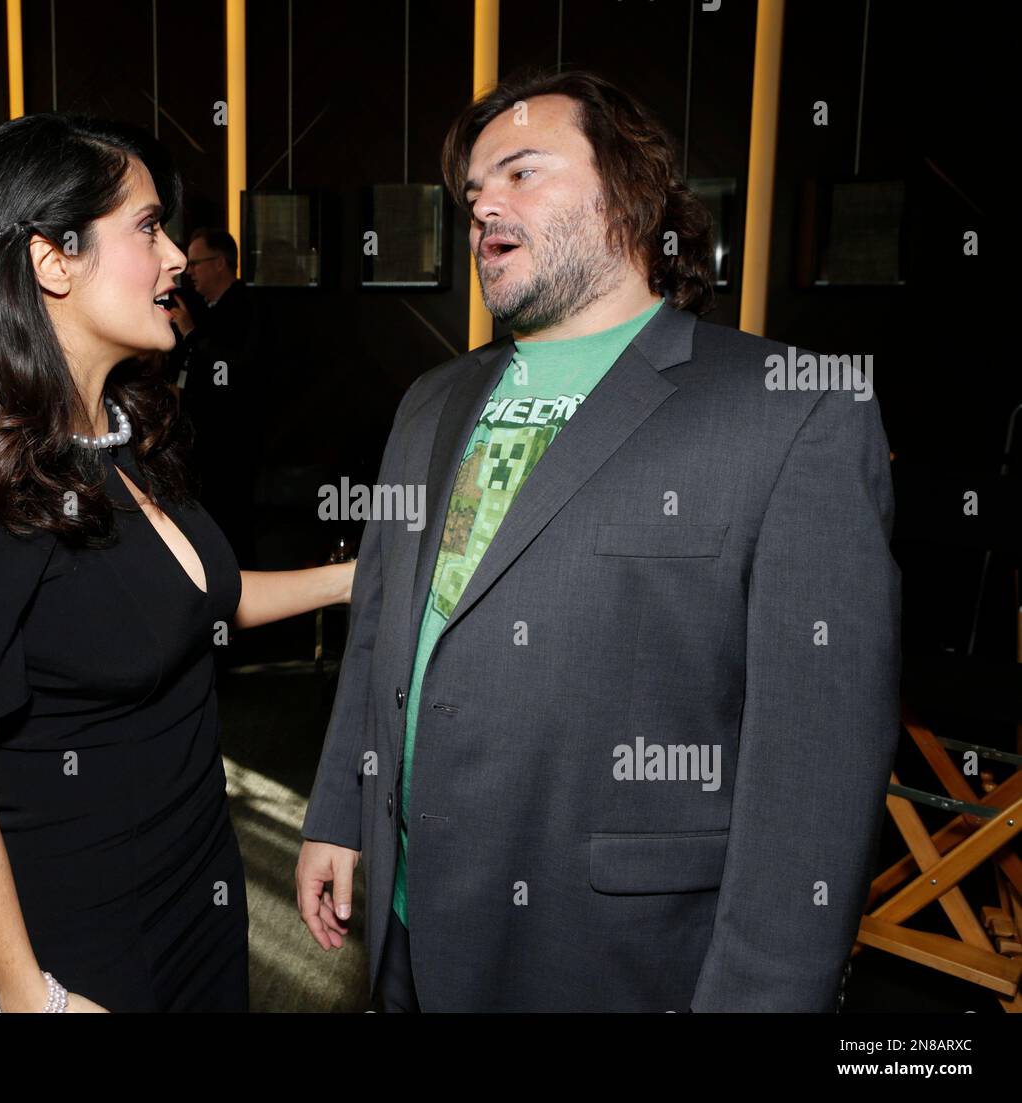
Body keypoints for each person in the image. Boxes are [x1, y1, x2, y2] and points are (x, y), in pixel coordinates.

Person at [295, 68, 901, 1012]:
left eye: (521, 172)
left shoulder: (793, 406)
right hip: (409, 933)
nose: (483, 203)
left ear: (631, 191)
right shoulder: (429, 400)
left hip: (611, 956)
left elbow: (816, 764)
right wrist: (339, 810)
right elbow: (381, 626)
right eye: (472, 193)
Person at [0, 113, 354, 1013]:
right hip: (86, 934)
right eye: (146, 227)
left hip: (198, 883)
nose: (175, 257)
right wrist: (32, 998)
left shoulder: (123, 440)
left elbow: (205, 599)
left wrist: (363, 575)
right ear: (54, 262)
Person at [166, 228, 269, 570]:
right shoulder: (207, 308)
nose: (189, 270)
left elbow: (238, 367)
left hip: (231, 437)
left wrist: (192, 333)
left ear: (220, 264)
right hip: (204, 436)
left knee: (231, 521)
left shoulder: (246, 307)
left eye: (196, 263)